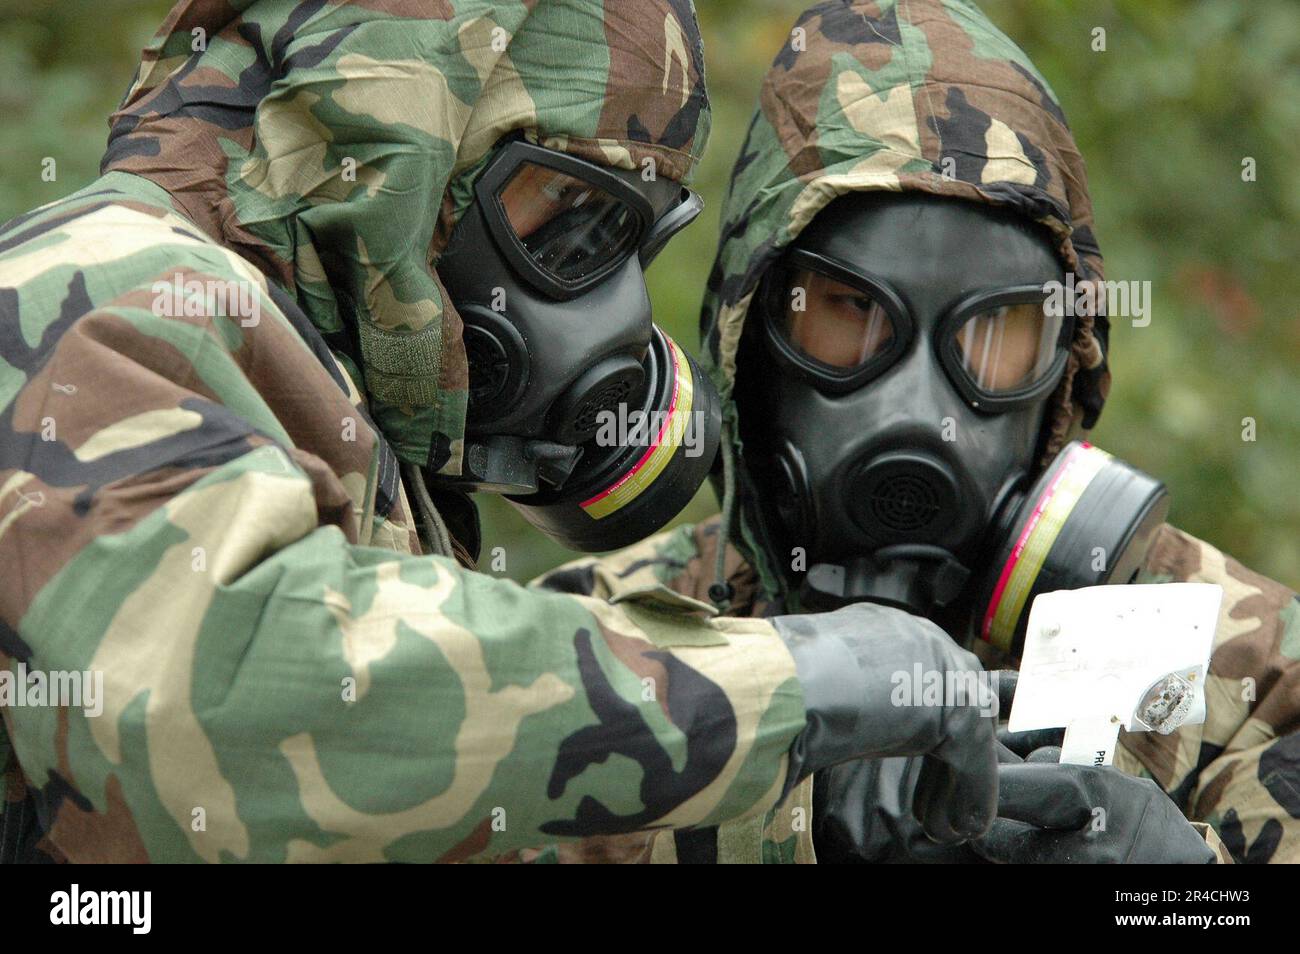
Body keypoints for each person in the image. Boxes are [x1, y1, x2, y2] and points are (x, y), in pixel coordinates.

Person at [0, 1, 1008, 863]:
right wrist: (790, 684)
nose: (611, 309)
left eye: (629, 242)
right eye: (572, 214)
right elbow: (225, 702)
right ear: (405, 136)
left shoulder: (326, 401)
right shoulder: (107, 284)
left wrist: (813, 815)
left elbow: (414, 800)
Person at [522, 0, 1296, 863]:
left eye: (993, 332)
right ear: (748, 343)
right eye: (852, 314)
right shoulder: (591, 646)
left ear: (1066, 367)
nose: (919, 410)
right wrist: (771, 828)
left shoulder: (1249, 671)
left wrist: (1185, 892)